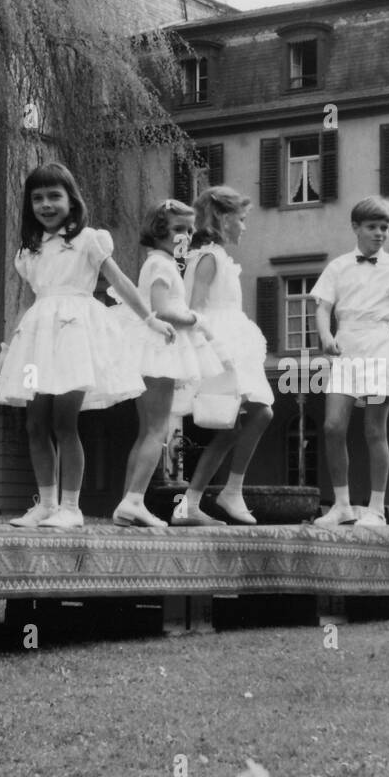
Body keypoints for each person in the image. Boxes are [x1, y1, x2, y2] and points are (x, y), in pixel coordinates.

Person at [0, 163, 172, 529]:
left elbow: (119, 281)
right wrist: (8, 348)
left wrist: (149, 318)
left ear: (71, 201)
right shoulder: (29, 251)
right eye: (37, 198)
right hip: (39, 339)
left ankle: (70, 507)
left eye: (54, 196)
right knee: (35, 423)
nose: (46, 204)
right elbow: (28, 303)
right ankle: (45, 503)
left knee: (64, 421)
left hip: (74, 335)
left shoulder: (89, 240)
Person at [311, 196, 389, 528]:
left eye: (385, 227)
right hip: (345, 345)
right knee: (333, 426)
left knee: (375, 429)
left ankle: (375, 508)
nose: (379, 233)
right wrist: (326, 336)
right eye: (372, 227)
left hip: (378, 345)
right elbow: (321, 307)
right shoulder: (338, 266)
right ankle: (342, 504)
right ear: (355, 228)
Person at [112, 200, 225, 527]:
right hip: (161, 348)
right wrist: (195, 318)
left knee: (148, 430)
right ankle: (134, 500)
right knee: (157, 430)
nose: (185, 236)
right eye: (178, 230)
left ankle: (127, 502)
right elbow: (162, 309)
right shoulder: (161, 266)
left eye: (189, 230)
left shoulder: (157, 263)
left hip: (155, 347)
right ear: (158, 231)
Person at [171, 186, 274, 526]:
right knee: (254, 415)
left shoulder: (216, 256)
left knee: (239, 424)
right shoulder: (209, 257)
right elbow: (196, 308)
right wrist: (213, 352)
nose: (244, 227)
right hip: (218, 347)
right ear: (223, 218)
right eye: (241, 219)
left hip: (231, 344)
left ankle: (206, 499)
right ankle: (219, 494)